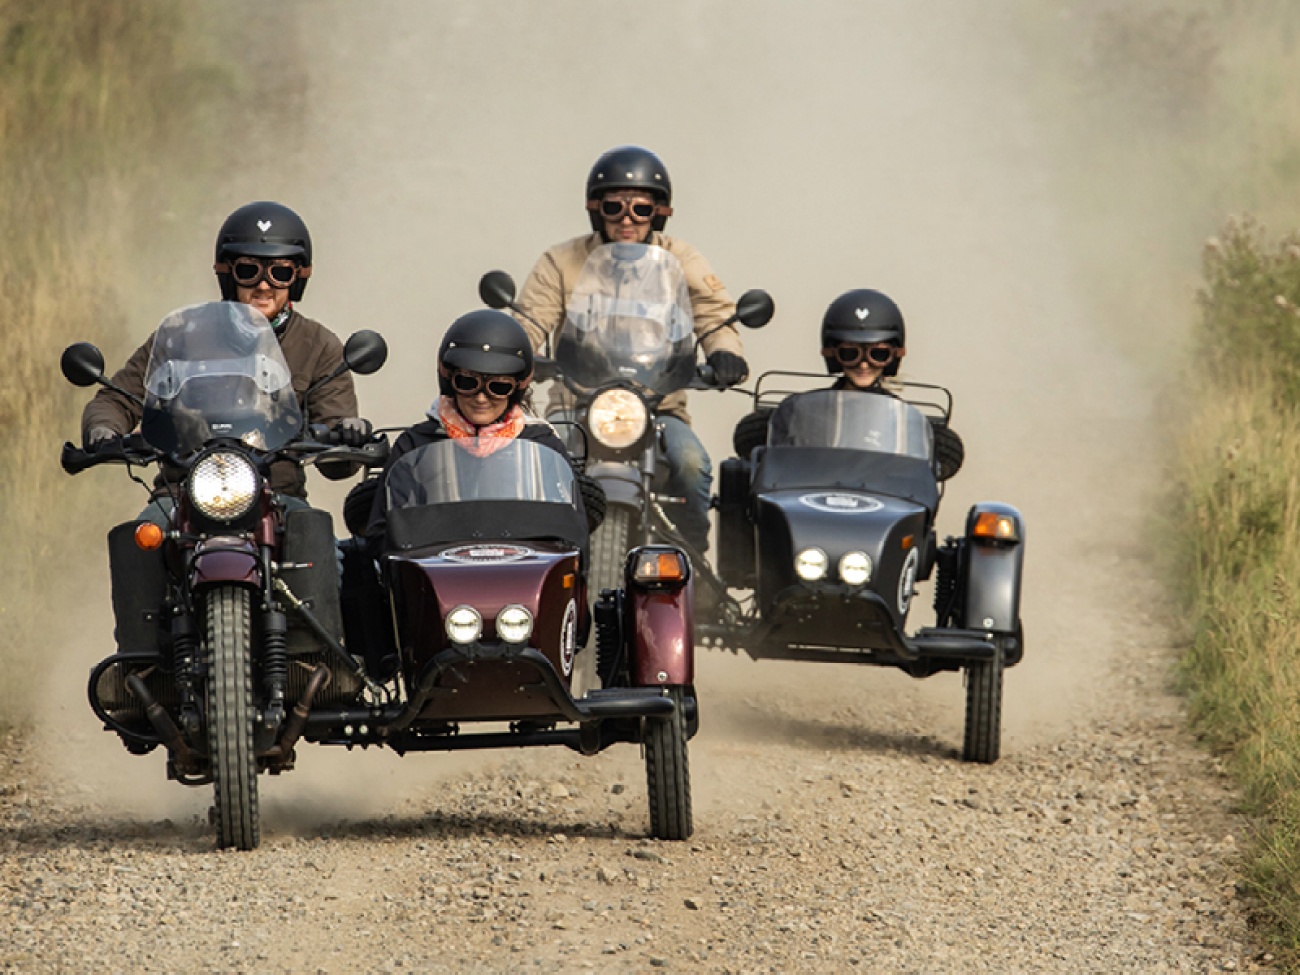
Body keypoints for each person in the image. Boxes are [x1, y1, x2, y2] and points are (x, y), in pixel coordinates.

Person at [513, 145, 749, 556]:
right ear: (595, 209)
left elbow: (714, 313)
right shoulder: (561, 261)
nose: (626, 219)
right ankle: (523, 562)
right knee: (531, 463)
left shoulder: (681, 258)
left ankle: (693, 564)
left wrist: (725, 352)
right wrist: (515, 356)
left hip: (658, 406)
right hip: (576, 402)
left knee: (692, 465)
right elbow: (531, 319)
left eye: (640, 209)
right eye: (614, 207)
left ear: (658, 212)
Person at [80, 201, 371, 510]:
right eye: (248, 271)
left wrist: (346, 433)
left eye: (279, 272)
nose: (263, 284)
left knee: (320, 549)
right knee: (139, 541)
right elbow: (117, 398)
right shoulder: (182, 334)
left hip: (279, 500)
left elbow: (338, 459)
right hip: (181, 496)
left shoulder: (319, 345)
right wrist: (103, 429)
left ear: (297, 278)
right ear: (228, 274)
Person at [364, 309, 594, 544]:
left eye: (498, 386)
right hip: (438, 575)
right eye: (467, 382)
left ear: (518, 387)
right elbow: (381, 535)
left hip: (521, 574)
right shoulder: (415, 445)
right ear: (448, 379)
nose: (481, 398)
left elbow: (572, 533)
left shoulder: (542, 444)